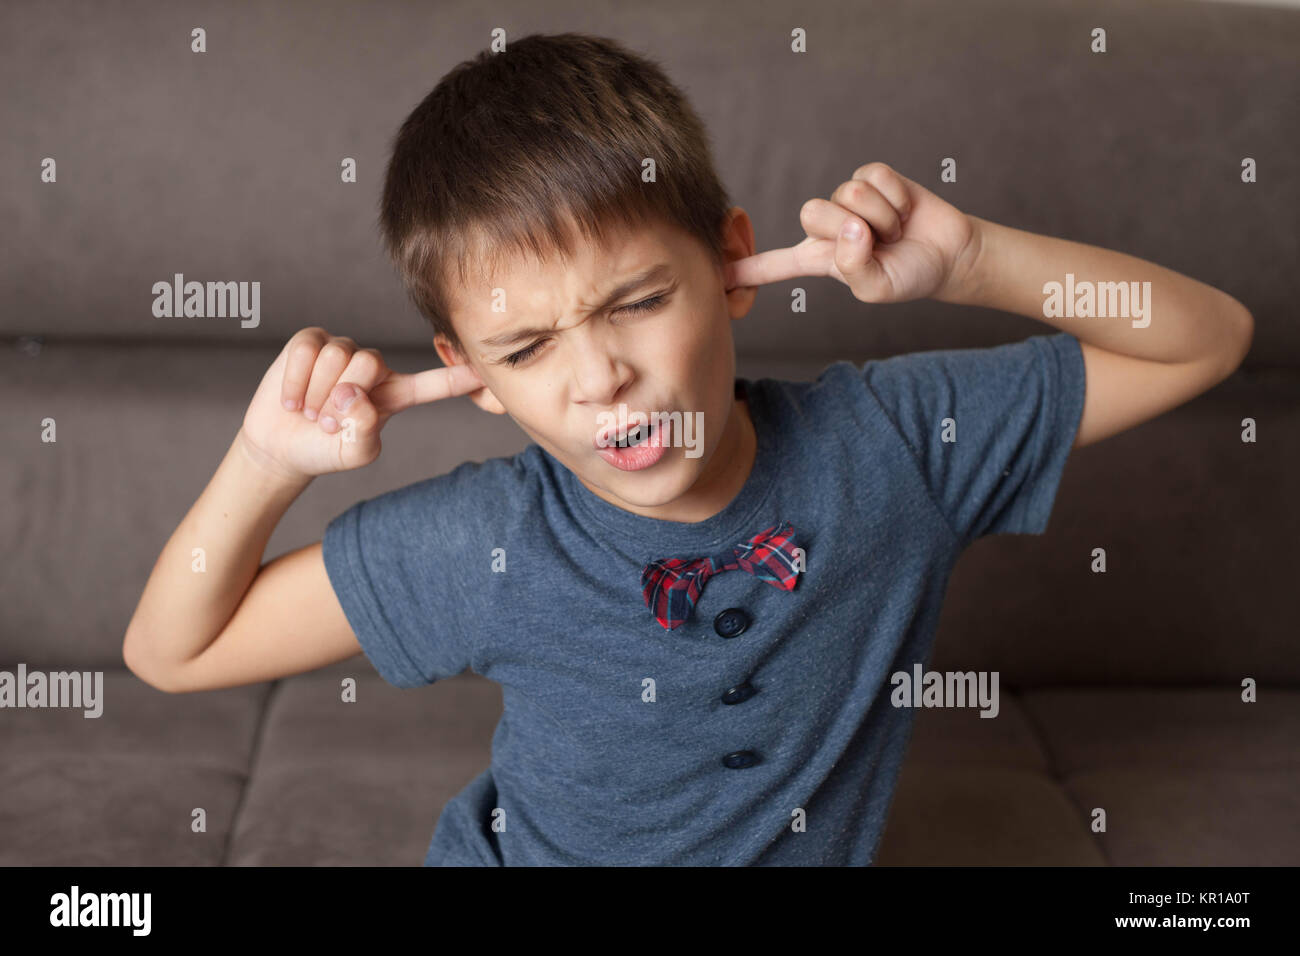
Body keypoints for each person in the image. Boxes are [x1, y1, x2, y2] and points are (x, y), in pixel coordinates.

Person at [122, 33, 1253, 866]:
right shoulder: (484, 539)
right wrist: (267, 461)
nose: (598, 376)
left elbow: (1204, 343)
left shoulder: (896, 446)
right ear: (473, 374)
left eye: (639, 300)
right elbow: (171, 650)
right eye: (524, 347)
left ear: (732, 264)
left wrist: (974, 263)